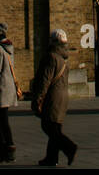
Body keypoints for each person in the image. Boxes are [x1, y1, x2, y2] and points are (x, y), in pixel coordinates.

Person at [32, 28, 78, 167]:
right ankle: (51, 158)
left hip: (53, 96)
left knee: (48, 126)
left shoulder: (51, 57)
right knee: (55, 127)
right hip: (63, 96)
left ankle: (69, 147)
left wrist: (38, 97)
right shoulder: (64, 59)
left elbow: (45, 80)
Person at [0, 22, 20, 163]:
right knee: (3, 118)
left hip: (1, 87)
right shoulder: (9, 46)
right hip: (9, 87)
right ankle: (8, 147)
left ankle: (3, 146)